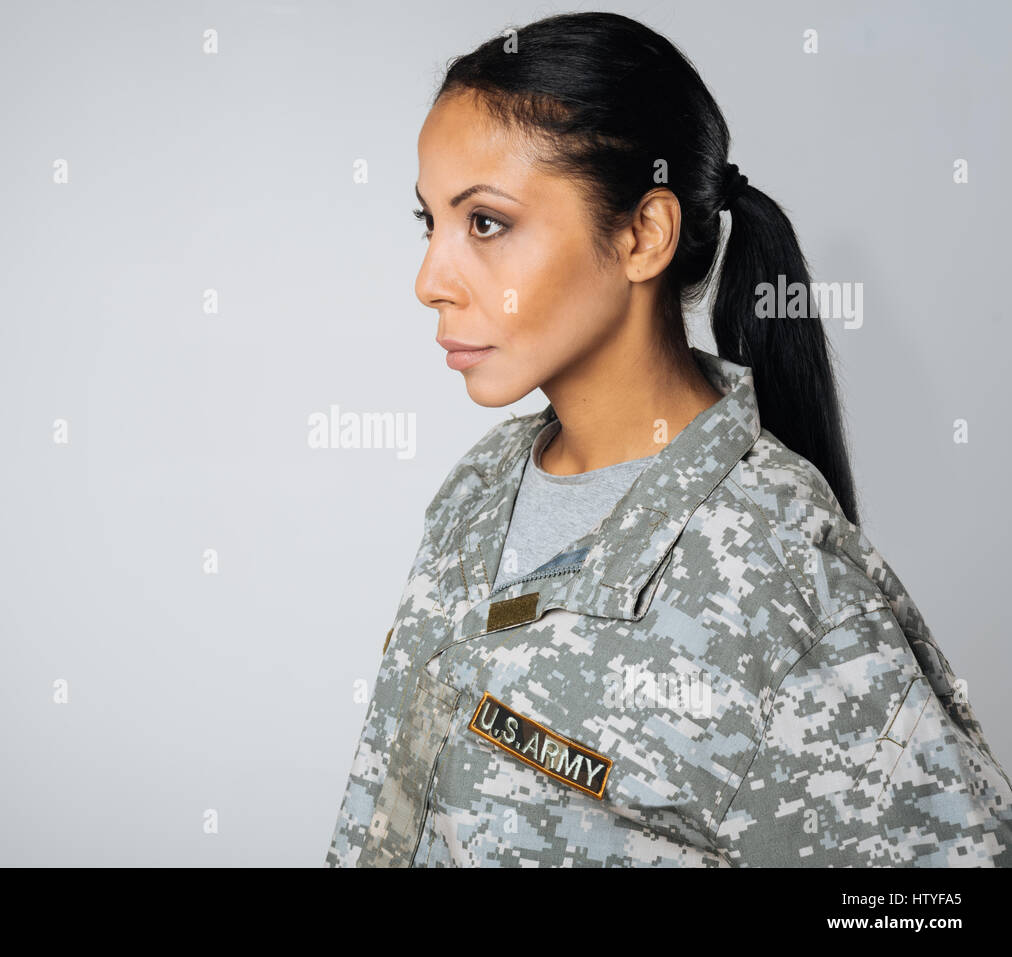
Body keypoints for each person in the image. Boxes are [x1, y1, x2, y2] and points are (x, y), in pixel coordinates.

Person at [324, 10, 1012, 867]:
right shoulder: (483, 485)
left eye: (486, 224)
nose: (430, 280)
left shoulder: (776, 568)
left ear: (642, 234)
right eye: (431, 222)